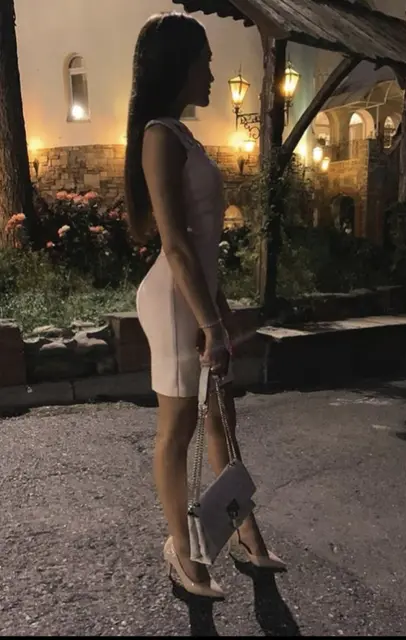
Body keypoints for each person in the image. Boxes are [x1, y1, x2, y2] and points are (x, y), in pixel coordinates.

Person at [125, 11, 285, 599]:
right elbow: (174, 242)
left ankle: (244, 531)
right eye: (206, 62)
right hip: (173, 302)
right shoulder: (159, 136)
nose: (214, 74)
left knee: (223, 418)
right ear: (180, 65)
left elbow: (203, 242)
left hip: (197, 294)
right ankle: (183, 550)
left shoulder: (184, 135)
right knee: (179, 427)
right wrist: (209, 321)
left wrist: (221, 310)